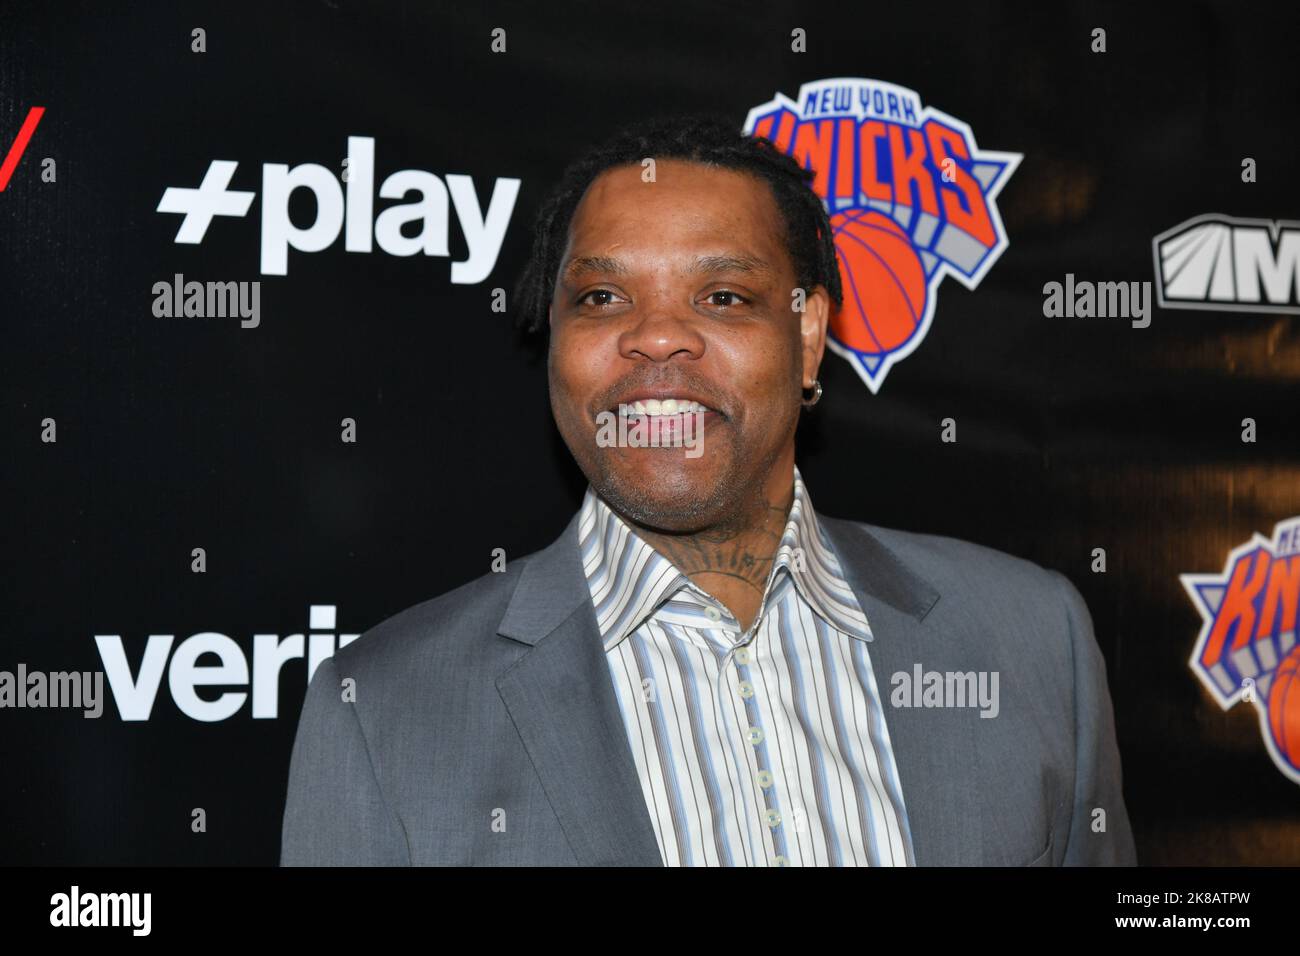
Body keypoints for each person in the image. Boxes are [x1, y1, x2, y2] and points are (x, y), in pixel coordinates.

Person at [280, 114, 1136, 866]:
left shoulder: (1030, 642)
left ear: (805, 339)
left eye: (723, 296)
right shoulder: (383, 711)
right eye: (602, 296)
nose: (656, 337)